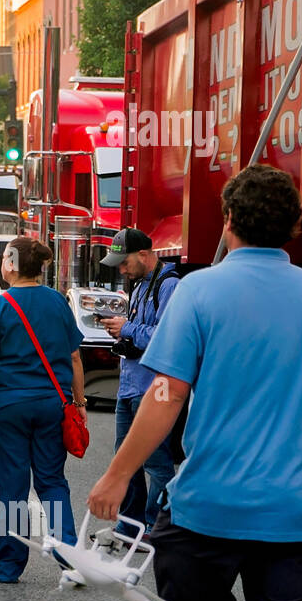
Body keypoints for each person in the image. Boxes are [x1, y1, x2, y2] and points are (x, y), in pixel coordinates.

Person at [88, 165, 302, 601]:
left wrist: (117, 474)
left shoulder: (199, 291)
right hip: (297, 507)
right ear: (293, 227)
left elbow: (165, 396)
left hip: (208, 502)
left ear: (229, 219)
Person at [0, 236, 85, 583]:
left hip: (11, 405)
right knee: (51, 481)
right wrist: (78, 402)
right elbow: (74, 357)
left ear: (12, 264)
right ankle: (71, 560)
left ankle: (7, 566)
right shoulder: (58, 303)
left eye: (4, 257)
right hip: (52, 403)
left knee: (14, 487)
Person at [96, 227, 180, 534]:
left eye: (124, 261)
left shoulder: (169, 285)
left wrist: (127, 328)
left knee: (157, 464)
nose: (121, 269)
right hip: (130, 385)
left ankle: (157, 525)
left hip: (152, 389)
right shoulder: (142, 283)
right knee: (125, 458)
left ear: (144, 255)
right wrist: (122, 331)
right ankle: (130, 524)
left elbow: (168, 339)